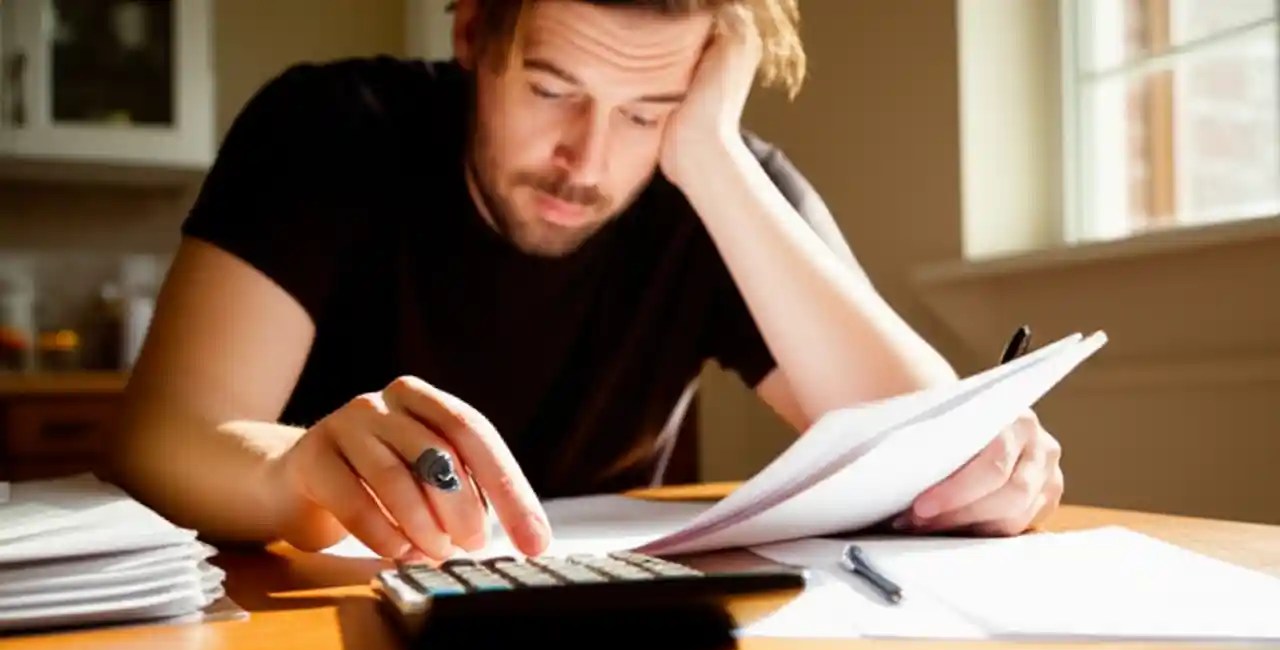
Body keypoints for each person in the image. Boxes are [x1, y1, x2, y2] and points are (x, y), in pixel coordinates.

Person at [109, 0, 1064, 562]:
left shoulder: (715, 180)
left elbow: (930, 450)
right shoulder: (328, 129)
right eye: (554, 91)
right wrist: (295, 474)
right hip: (325, 621)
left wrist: (710, 157)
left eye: (648, 110)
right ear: (475, 32)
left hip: (609, 639)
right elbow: (164, 436)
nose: (589, 162)